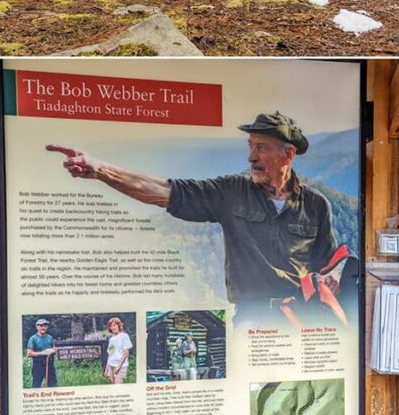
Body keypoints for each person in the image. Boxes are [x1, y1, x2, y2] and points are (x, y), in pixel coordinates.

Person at [45, 112, 352, 321]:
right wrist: (101, 170)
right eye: (250, 146)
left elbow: (327, 266)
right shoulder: (231, 192)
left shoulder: (317, 205)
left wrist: (332, 280)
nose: (251, 157)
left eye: (261, 148)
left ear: (288, 155)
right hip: (254, 320)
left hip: (303, 317)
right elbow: (164, 191)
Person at [25, 318, 58, 388]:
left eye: (45, 325)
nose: (43, 327)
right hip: (38, 366)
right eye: (41, 326)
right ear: (37, 327)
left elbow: (54, 349)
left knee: (53, 385)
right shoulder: (33, 338)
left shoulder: (50, 337)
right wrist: (43, 353)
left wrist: (54, 351)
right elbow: (29, 353)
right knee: (36, 385)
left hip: (50, 365)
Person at [104, 316, 133, 384]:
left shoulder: (124, 336)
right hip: (111, 365)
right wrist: (106, 368)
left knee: (119, 387)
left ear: (119, 326)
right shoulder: (111, 339)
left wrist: (118, 366)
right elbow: (110, 354)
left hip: (120, 366)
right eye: (111, 326)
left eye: (114, 325)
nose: (113, 327)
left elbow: (126, 353)